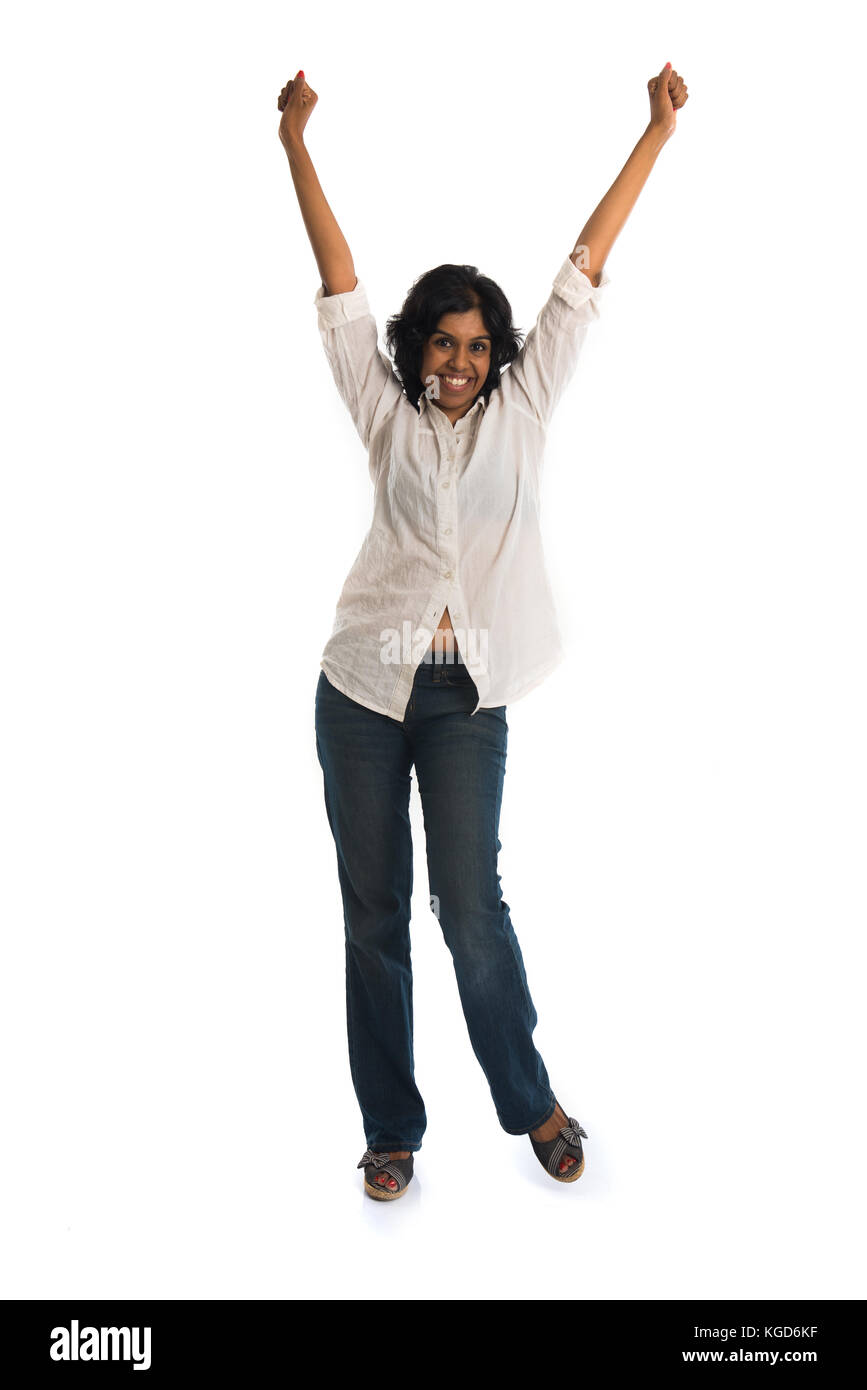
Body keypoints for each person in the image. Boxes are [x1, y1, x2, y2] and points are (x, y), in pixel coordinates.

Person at [278, 63, 688, 1200]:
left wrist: (651, 133)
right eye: (439, 343)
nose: (456, 361)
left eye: (473, 344)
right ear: (414, 349)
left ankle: (532, 1099)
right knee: (374, 921)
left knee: (468, 908)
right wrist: (295, 142)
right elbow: (339, 277)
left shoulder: (527, 403)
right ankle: (391, 1129)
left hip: (466, 699)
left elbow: (583, 270)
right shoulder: (381, 409)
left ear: (494, 351)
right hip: (362, 690)